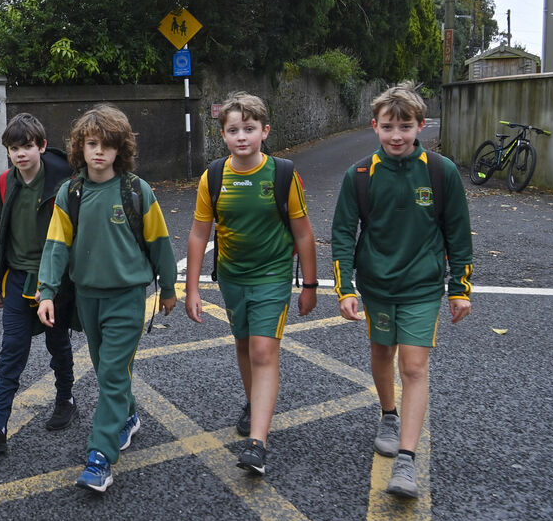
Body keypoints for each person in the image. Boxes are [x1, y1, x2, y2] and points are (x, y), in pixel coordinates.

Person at [331, 82, 473, 499]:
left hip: (422, 286)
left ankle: (407, 460)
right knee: (381, 353)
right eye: (389, 126)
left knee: (413, 367)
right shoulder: (359, 175)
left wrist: (459, 287)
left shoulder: (440, 172)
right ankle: (388, 415)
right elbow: (342, 234)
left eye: (405, 126)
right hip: (377, 285)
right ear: (374, 126)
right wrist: (345, 288)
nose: (397, 135)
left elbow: (458, 234)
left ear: (421, 127)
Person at [37, 105, 177, 493]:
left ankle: (99, 457)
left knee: (113, 374)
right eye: (91, 144)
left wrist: (168, 288)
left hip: (128, 298)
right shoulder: (71, 192)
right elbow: (55, 246)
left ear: (121, 150)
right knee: (106, 371)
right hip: (87, 298)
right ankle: (128, 418)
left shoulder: (136, 190)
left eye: (107, 145)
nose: (98, 152)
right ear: (80, 148)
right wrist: (46, 291)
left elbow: (160, 242)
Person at [184, 93, 317, 476]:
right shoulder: (213, 176)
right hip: (231, 276)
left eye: (249, 128)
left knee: (262, 351)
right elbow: (197, 235)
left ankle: (257, 442)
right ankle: (253, 401)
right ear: (222, 135)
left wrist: (309, 285)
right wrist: (192, 289)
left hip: (273, 276)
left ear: (264, 131)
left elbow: (304, 235)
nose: (241, 137)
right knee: (243, 344)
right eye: (233, 130)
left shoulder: (283, 174)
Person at [0, 114, 76, 454]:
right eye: (14, 148)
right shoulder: (4, 183)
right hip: (16, 279)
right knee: (11, 350)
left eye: (27, 146)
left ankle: (65, 399)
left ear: (42, 146)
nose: (21, 154)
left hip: (53, 280)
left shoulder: (65, 183)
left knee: (58, 343)